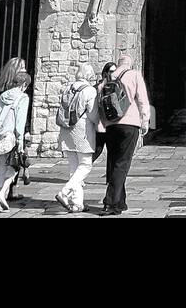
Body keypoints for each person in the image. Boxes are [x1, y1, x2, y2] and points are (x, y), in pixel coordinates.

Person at [96, 55, 150, 216]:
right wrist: (145, 120)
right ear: (130, 64)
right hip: (130, 123)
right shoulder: (134, 75)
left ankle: (120, 201)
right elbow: (142, 99)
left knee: (115, 162)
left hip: (111, 124)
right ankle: (111, 203)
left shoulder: (107, 78)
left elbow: (100, 100)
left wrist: (104, 123)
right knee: (123, 163)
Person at [0, 68, 31, 212]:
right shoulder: (22, 98)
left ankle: (0, 203)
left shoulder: (3, 95)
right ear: (24, 85)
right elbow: (20, 123)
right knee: (14, 168)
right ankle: (1, 194)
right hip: (10, 137)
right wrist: (21, 142)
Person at [55, 62, 98, 214]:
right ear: (89, 76)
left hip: (66, 130)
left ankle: (77, 203)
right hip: (82, 130)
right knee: (86, 164)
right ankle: (64, 192)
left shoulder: (68, 88)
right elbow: (93, 114)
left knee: (74, 168)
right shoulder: (90, 91)